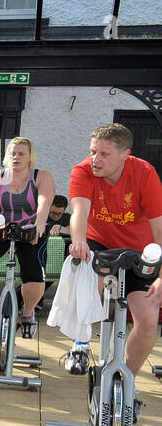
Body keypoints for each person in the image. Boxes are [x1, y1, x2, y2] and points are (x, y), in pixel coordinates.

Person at [65, 123, 162, 375]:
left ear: (125, 155)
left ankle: (126, 377)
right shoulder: (83, 171)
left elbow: (160, 229)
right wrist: (78, 241)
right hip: (99, 242)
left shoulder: (144, 173)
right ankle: (81, 344)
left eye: (104, 154)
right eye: (93, 152)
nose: (95, 159)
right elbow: (79, 212)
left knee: (149, 320)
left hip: (139, 250)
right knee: (89, 276)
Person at [0, 137, 54, 340]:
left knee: (33, 271)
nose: (16, 157)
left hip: (30, 230)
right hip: (0, 228)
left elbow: (44, 201)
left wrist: (40, 224)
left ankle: (28, 314)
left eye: (21, 154)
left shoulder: (40, 176)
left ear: (30, 157)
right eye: (12, 153)